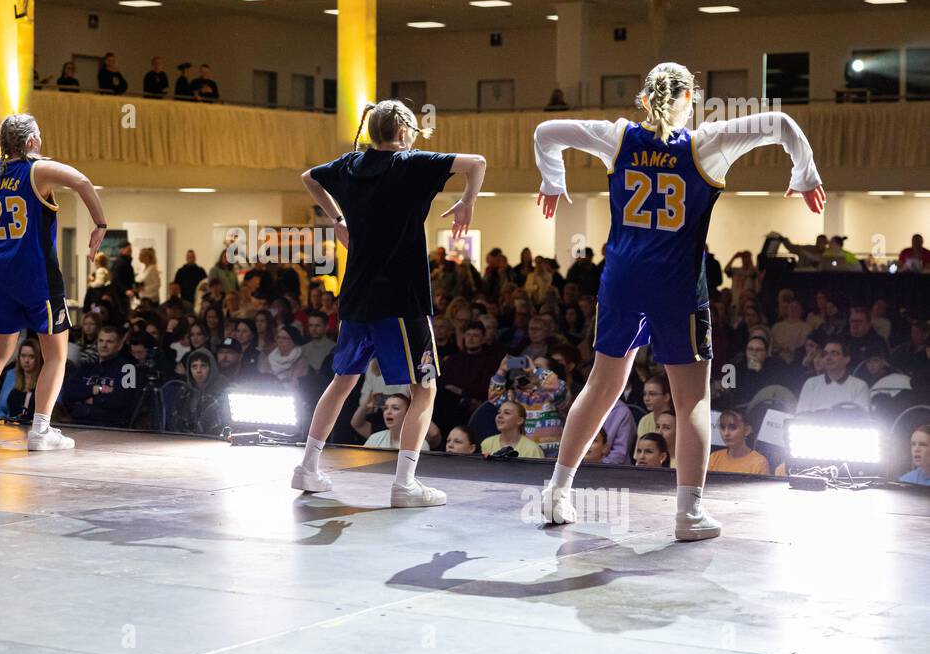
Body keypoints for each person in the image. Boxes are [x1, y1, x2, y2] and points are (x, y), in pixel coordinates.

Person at [533, 61, 825, 540]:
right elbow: (780, 124)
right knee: (691, 398)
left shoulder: (618, 136)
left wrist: (552, 179)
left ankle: (558, 490)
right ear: (690, 99)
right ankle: (688, 515)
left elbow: (546, 131)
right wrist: (805, 172)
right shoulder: (706, 143)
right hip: (675, 284)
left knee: (603, 385)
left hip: (622, 279)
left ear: (644, 99)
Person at [293, 98, 486, 508]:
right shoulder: (412, 164)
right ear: (403, 133)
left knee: (342, 381)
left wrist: (336, 219)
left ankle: (308, 467)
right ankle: (404, 484)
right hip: (401, 298)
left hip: (357, 296)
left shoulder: (349, 165)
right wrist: (469, 200)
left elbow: (309, 177)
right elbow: (478, 163)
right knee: (426, 386)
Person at [0, 112, 107, 449]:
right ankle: (40, 430)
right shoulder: (38, 170)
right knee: (55, 354)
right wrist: (100, 223)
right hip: (36, 273)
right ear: (31, 142)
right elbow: (83, 182)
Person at [796, 338, 870, 413]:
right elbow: (800, 415)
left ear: (846, 359)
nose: (828, 358)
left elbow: (862, 418)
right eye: (825, 354)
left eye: (834, 354)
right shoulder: (811, 384)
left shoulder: (859, 386)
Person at [168, 347, 227, 436]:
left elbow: (223, 426)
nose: (198, 370)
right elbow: (175, 423)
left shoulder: (222, 391)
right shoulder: (184, 392)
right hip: (183, 442)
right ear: (189, 369)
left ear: (211, 368)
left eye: (203, 366)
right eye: (194, 366)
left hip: (214, 442)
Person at [709, 408, 770, 475]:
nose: (726, 433)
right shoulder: (714, 457)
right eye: (722, 427)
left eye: (732, 427)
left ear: (747, 430)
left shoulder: (759, 462)